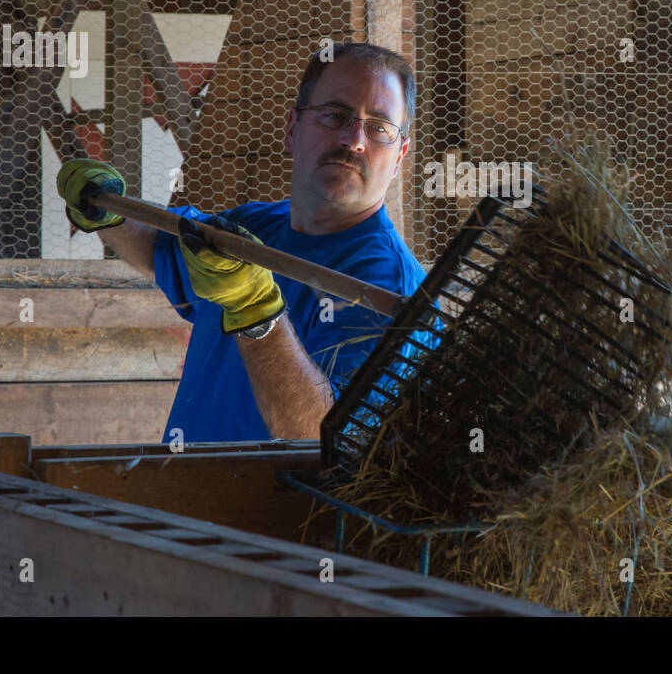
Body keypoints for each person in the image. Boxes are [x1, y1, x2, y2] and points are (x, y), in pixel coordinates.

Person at [56, 42, 425, 442]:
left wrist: (259, 315)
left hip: (277, 506)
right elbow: (159, 246)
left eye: (380, 129)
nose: (354, 140)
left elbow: (323, 442)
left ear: (400, 155)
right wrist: (108, 212)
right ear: (292, 129)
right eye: (335, 115)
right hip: (185, 496)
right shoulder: (252, 229)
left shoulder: (391, 289)